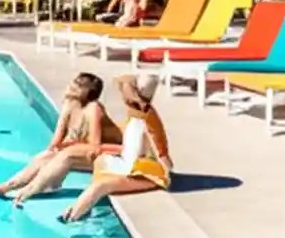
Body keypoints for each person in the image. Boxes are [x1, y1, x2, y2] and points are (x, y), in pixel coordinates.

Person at [11, 74, 171, 220]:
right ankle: (34, 195)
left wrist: (164, 168)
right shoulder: (134, 116)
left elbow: (162, 153)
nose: (124, 97)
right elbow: (130, 145)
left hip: (145, 173)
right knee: (95, 165)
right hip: (129, 164)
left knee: (100, 186)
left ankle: (70, 217)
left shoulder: (148, 121)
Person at [0, 73, 121, 199]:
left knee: (63, 157)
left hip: (110, 155)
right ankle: (6, 187)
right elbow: (56, 142)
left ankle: (29, 190)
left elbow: (94, 147)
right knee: (42, 157)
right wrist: (52, 152)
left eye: (79, 85)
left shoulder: (93, 108)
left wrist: (66, 147)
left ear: (88, 91)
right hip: (86, 151)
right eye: (75, 82)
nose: (72, 85)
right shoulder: (70, 105)